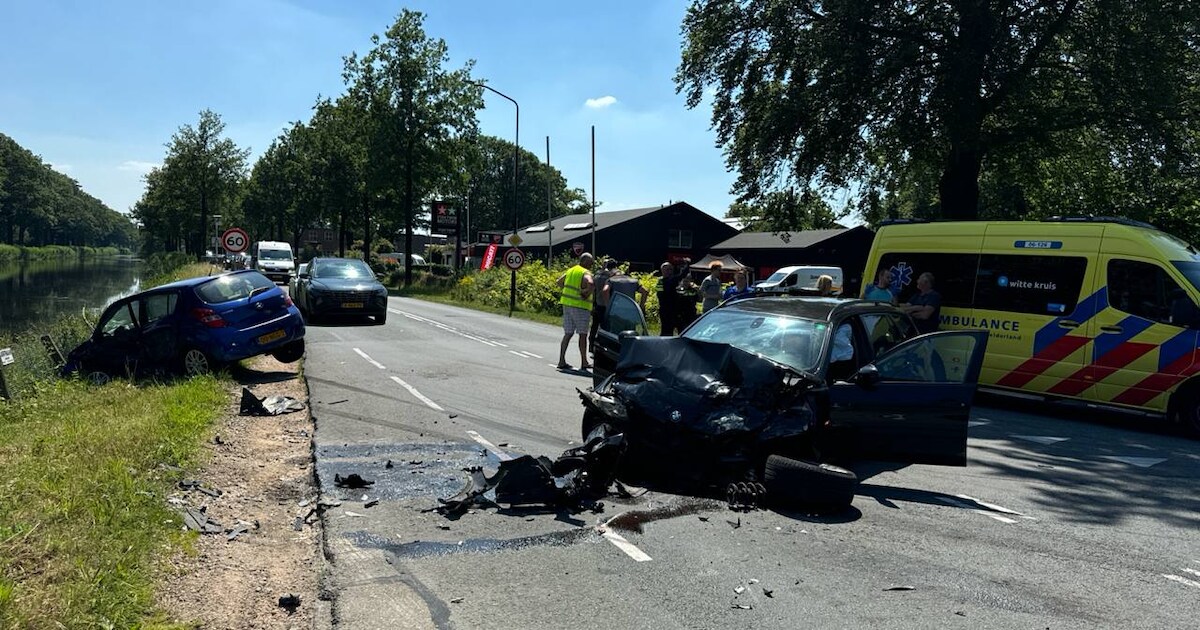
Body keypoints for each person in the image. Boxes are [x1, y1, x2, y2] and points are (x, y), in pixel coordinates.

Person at [556, 252, 594, 370]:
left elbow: (559, 282)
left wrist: (568, 292)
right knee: (583, 334)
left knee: (568, 333)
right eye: (591, 263)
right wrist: (586, 292)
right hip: (580, 306)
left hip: (567, 305)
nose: (591, 265)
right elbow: (591, 283)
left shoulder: (571, 270)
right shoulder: (585, 272)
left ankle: (561, 360)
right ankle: (584, 362)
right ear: (585, 262)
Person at [588, 259, 618, 353]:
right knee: (605, 328)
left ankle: (591, 345)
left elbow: (593, 291)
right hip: (606, 305)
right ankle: (602, 348)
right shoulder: (611, 277)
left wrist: (592, 304)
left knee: (594, 326)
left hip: (597, 303)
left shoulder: (596, 275)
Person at [655, 258, 691, 335]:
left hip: (668, 310)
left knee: (670, 330)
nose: (670, 271)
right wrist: (687, 264)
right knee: (669, 331)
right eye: (667, 270)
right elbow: (682, 275)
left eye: (671, 269)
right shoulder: (668, 281)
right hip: (669, 310)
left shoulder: (662, 281)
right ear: (663, 271)